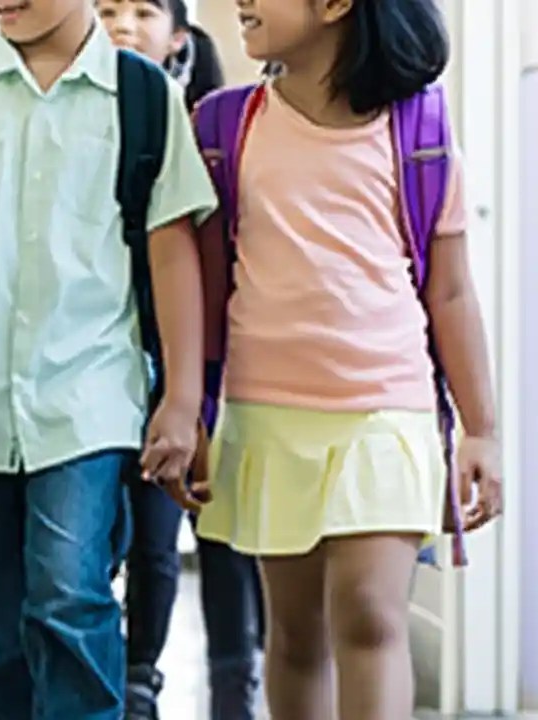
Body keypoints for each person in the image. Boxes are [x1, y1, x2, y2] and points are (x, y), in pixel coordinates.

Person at [0, 0, 216, 716]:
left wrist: (181, 398)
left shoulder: (141, 95)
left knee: (67, 593)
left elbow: (170, 250)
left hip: (88, 402)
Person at [191, 1, 502, 718]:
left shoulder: (418, 127)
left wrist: (483, 428)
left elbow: (450, 292)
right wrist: (194, 408)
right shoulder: (222, 125)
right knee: (296, 635)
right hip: (266, 413)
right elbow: (203, 290)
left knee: (368, 612)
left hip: (386, 407)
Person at [97, 2, 263, 719]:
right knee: (150, 537)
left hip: (232, 365)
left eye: (141, 10)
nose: (123, 23)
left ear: (180, 38)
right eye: (106, 8)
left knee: (226, 539)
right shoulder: (93, 121)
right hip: (136, 365)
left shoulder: (219, 126)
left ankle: (236, 688)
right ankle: (139, 681)